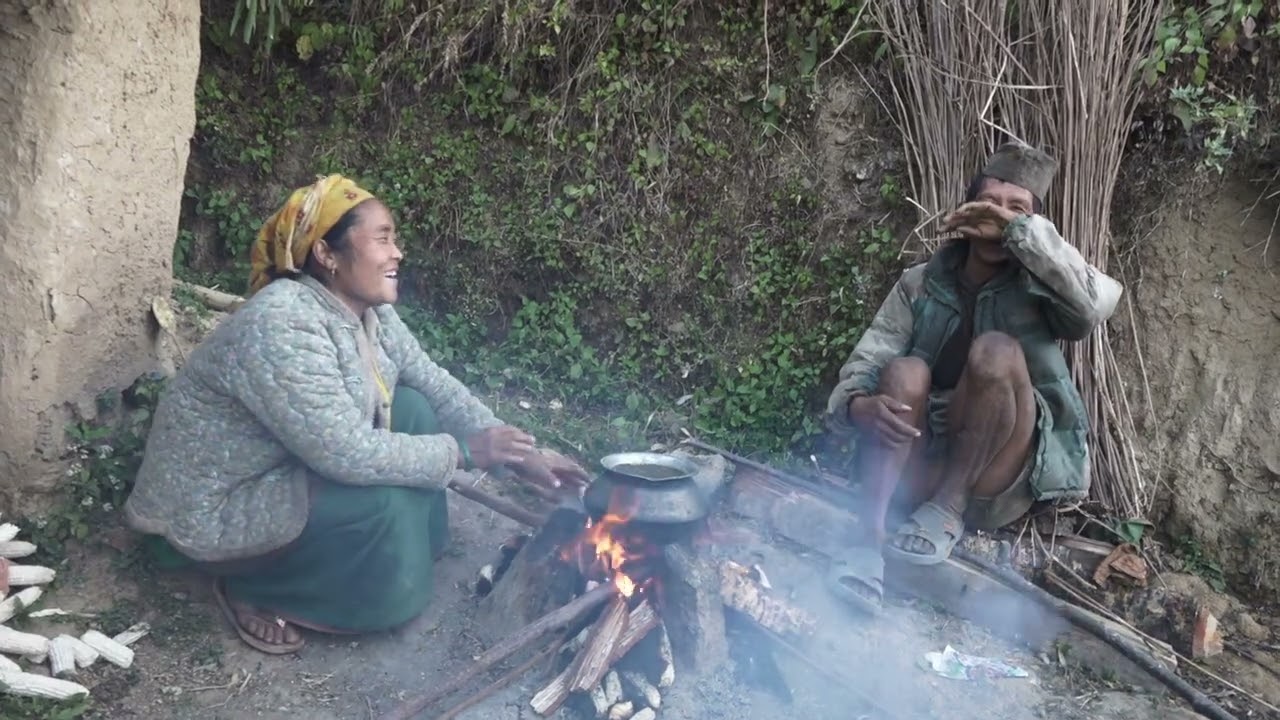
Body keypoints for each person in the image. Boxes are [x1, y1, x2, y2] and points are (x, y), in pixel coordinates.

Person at [124, 174, 589, 654]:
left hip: (291, 465)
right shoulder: (281, 323)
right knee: (381, 506)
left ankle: (392, 553)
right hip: (213, 508)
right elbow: (344, 452)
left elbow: (432, 380)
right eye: (383, 238)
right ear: (327, 255)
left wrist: (520, 452)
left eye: (395, 239)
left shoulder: (370, 312)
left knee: (414, 408)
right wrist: (468, 453)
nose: (397, 253)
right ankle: (254, 588)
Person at [823, 142, 1123, 615]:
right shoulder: (920, 282)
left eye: (1017, 209)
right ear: (966, 209)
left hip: (993, 475)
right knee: (904, 371)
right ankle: (867, 539)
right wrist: (859, 406)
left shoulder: (1049, 286)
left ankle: (947, 510)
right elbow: (870, 355)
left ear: (1036, 224)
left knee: (997, 352)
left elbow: (1090, 309)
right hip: (914, 465)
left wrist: (1020, 236)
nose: (1000, 217)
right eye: (990, 204)